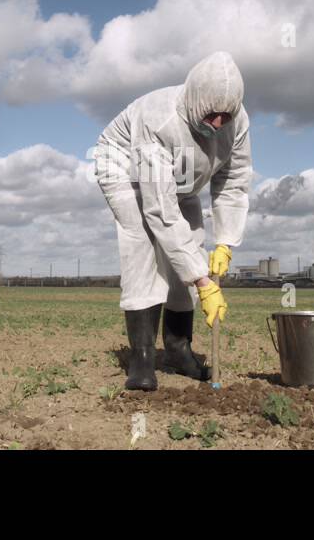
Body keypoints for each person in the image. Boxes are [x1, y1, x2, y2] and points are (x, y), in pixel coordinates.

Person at [94, 51, 252, 391]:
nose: (220, 123)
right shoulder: (158, 119)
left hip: (183, 180)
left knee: (192, 242)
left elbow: (234, 181)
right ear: (196, 100)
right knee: (144, 247)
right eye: (213, 115)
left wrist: (225, 242)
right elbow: (160, 212)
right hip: (127, 173)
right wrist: (203, 281)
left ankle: (179, 350)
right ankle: (143, 359)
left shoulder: (237, 123)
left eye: (228, 115)